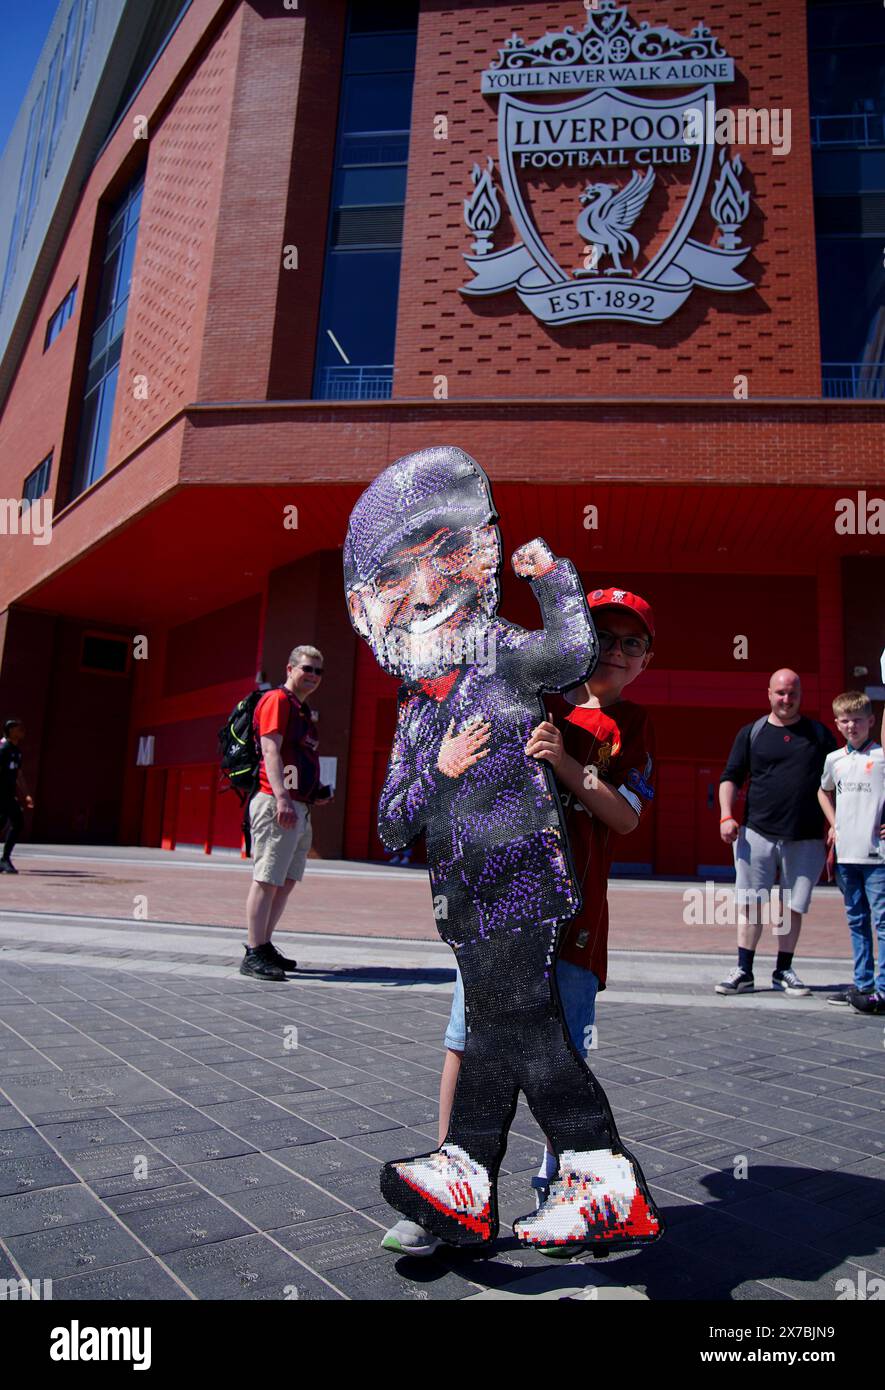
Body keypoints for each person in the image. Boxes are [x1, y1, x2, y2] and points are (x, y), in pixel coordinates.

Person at [382, 585, 658, 1258]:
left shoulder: (632, 728)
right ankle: (446, 1201)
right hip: (496, 919)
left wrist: (562, 762)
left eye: (631, 642)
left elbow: (625, 817)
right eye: (601, 637)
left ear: (646, 659)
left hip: (575, 927)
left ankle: (559, 1189)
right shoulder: (525, 693)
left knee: (554, 1051)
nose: (613, 652)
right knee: (464, 1042)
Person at [716, 669, 837, 997]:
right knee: (751, 902)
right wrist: (727, 816)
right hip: (757, 835)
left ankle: (784, 970)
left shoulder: (819, 735)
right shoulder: (752, 733)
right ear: (769, 694)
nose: (786, 699)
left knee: (791, 907)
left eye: (792, 693)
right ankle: (744, 970)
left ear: (801, 695)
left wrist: (837, 826)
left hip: (806, 836)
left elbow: (835, 785)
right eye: (780, 693)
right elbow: (731, 777)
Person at [241, 646, 333, 982]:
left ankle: (264, 944)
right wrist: (281, 797)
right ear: (290, 667)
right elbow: (270, 749)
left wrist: (313, 794)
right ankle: (253, 952)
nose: (312, 676)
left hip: (299, 805)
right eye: (307, 669)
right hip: (276, 802)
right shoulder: (277, 701)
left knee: (287, 879)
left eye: (318, 672)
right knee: (266, 879)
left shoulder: (302, 709)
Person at [818, 691, 885, 1016]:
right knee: (857, 922)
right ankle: (862, 984)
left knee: (883, 923)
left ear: (871, 721)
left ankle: (883, 989)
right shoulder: (835, 760)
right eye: (844, 720)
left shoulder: (882, 757)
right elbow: (823, 790)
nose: (851, 725)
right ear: (837, 723)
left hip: (878, 857)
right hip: (847, 855)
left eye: (857, 719)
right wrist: (834, 824)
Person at [0, 719, 33, 874]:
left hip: (8, 794)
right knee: (16, 821)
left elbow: (18, 774)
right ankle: (5, 860)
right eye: (19, 729)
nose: (22, 731)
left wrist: (26, 794)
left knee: (15, 822)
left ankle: (5, 859)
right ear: (11, 730)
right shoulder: (3, 748)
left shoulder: (16, 751)